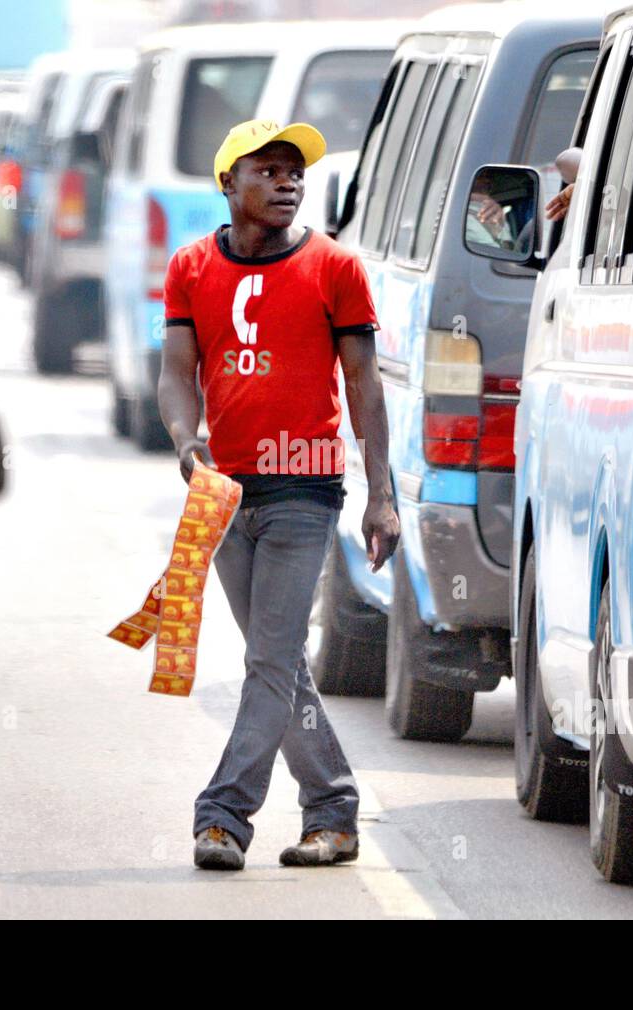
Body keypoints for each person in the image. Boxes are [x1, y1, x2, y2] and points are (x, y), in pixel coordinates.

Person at [158, 120, 400, 871]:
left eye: (294, 171)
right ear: (227, 185)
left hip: (305, 485)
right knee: (278, 662)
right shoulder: (191, 267)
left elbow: (363, 383)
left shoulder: (335, 267)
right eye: (266, 170)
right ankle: (333, 809)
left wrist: (380, 495)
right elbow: (174, 371)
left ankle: (223, 815)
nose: (287, 181)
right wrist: (184, 440)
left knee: (270, 658)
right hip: (223, 492)